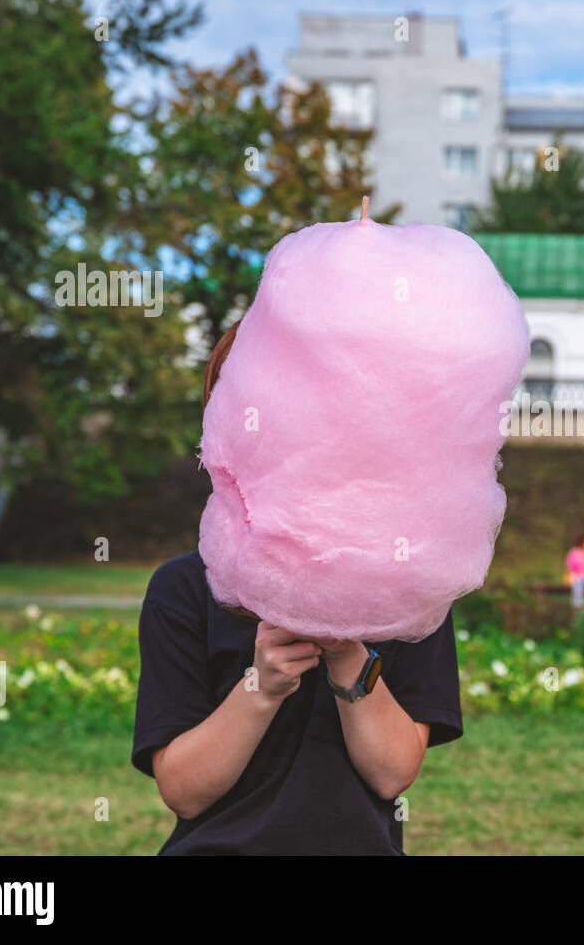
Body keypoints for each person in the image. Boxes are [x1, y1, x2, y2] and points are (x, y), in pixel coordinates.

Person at [131, 322, 463, 855]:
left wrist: (349, 656)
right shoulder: (183, 589)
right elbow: (183, 792)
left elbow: (392, 774)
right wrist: (260, 687)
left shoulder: (409, 588)